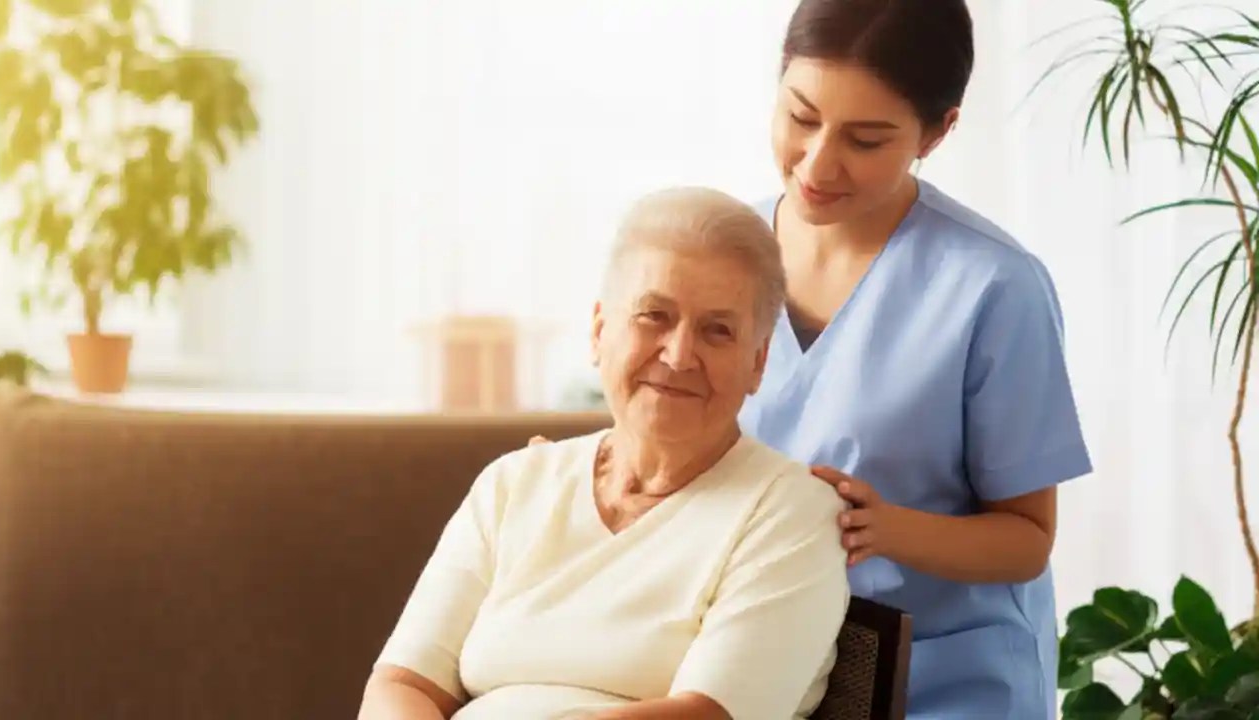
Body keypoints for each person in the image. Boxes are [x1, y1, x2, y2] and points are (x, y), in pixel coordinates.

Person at [356, 187, 851, 720]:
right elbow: (401, 685)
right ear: (598, 332)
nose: (680, 354)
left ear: (757, 364)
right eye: (654, 316)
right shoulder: (513, 484)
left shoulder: (791, 514)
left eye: (717, 330)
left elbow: (708, 716)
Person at [741, 0, 1093, 718]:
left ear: (938, 132)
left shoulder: (993, 286)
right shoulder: (723, 252)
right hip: (760, 672)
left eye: (866, 140)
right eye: (801, 117)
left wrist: (886, 529)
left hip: (944, 684)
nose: (817, 164)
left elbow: (1026, 540)